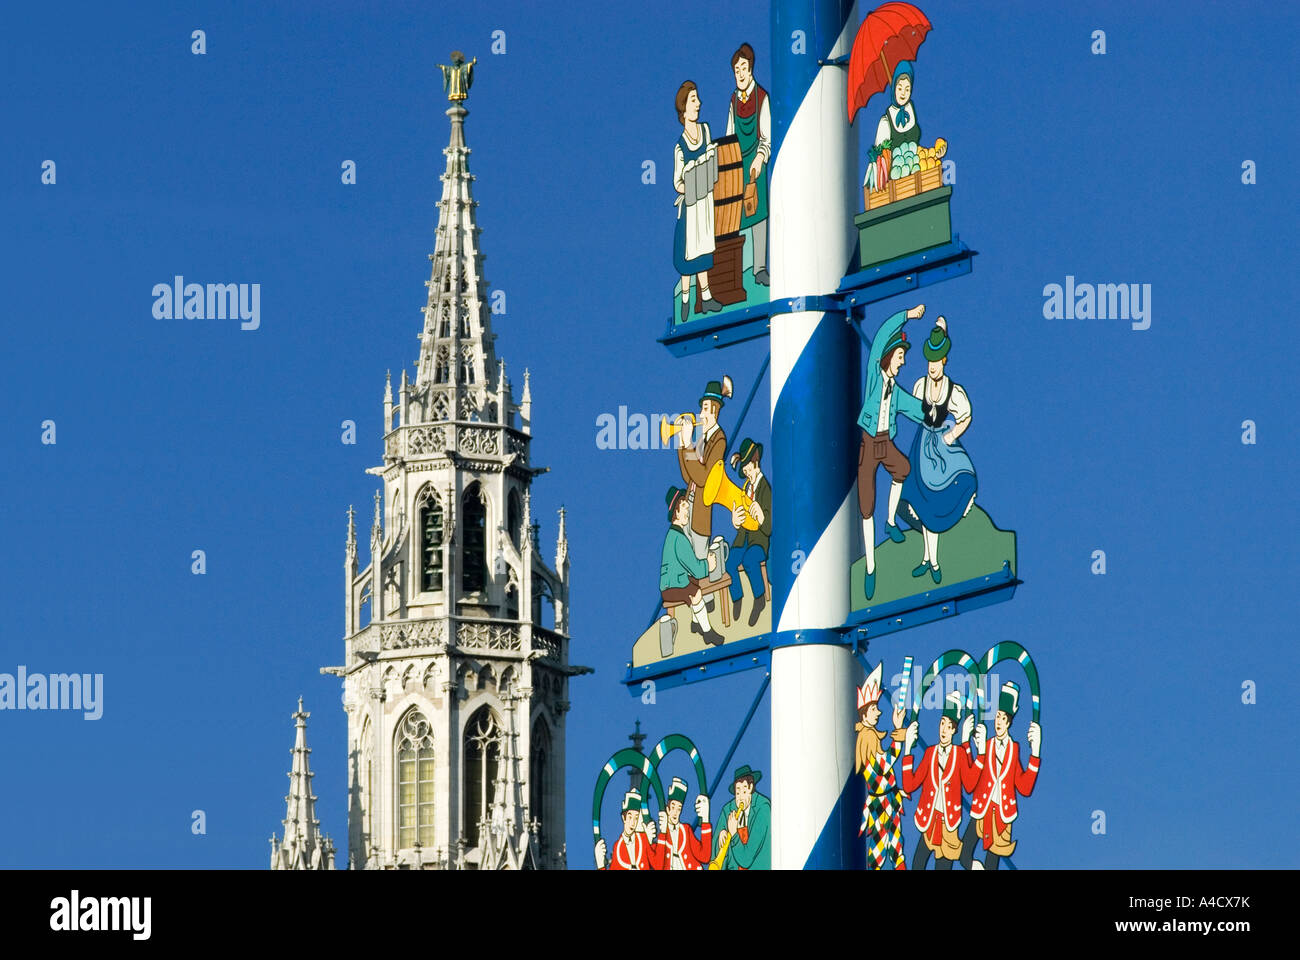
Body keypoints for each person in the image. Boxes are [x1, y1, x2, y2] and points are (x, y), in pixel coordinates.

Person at [897, 318, 977, 584]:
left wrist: (952, 434)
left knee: (936, 500)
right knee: (920, 502)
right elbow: (912, 409)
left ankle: (932, 561)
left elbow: (965, 416)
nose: (932, 367)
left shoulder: (952, 390)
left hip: (942, 451)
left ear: (944, 361)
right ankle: (927, 560)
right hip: (922, 448)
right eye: (929, 362)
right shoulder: (921, 385)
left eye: (936, 362)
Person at [856, 304, 927, 600]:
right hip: (868, 443)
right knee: (865, 505)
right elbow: (885, 330)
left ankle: (890, 522)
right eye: (900, 357)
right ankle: (871, 568)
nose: (903, 362)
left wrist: (937, 412)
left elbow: (914, 408)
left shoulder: (896, 391)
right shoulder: (875, 376)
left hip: (885, 442)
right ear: (887, 357)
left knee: (904, 469)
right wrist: (907, 314)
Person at [962, 681, 1041, 870]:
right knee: (965, 854)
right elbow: (970, 777)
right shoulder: (986, 745)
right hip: (982, 807)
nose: (998, 722)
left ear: (1009, 721)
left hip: (1002, 816)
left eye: (1003, 718)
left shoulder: (1014, 750)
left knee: (992, 864)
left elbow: (1024, 786)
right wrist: (967, 743)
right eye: (997, 716)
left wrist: (1035, 751)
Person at [899, 692, 980, 870]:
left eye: (949, 725)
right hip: (928, 822)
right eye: (942, 723)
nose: (944, 729)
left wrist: (978, 752)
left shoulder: (959, 755)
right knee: (917, 865)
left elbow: (970, 784)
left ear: (954, 730)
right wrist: (907, 750)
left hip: (948, 826)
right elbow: (910, 785)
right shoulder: (930, 753)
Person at [674, 81, 723, 323]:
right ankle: (685, 301)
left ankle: (705, 297)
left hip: (705, 201)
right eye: (693, 99)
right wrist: (690, 182)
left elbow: (712, 157)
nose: (699, 103)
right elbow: (677, 182)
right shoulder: (680, 147)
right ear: (684, 110)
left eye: (698, 98)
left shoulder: (705, 131)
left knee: (703, 250)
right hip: (691, 205)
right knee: (687, 257)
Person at [725, 43, 771, 286]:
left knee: (758, 214)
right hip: (737, 164)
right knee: (738, 216)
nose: (740, 74)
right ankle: (743, 270)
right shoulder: (733, 100)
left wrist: (760, 158)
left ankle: (759, 269)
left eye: (743, 68)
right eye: (736, 70)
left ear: (751, 69)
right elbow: (730, 134)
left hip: (755, 163)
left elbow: (767, 136)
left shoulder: (761, 97)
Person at [855, 663, 909, 869]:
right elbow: (883, 765)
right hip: (880, 805)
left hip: (889, 800)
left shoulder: (871, 737)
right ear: (865, 713)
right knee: (880, 849)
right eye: (874, 708)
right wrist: (898, 732)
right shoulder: (866, 738)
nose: (878, 712)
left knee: (894, 847)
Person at [677, 377, 732, 564]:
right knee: (687, 564)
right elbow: (688, 477)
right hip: (689, 505)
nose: (701, 415)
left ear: (715, 410)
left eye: (705, 409)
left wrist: (688, 446)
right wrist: (682, 445)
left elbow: (703, 478)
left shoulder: (719, 440)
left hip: (701, 513)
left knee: (700, 562)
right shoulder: (701, 439)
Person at [661, 486, 723, 647]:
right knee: (694, 593)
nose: (687, 512)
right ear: (676, 512)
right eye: (684, 508)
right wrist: (708, 565)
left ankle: (696, 623)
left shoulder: (675, 534)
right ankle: (708, 632)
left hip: (675, 580)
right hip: (672, 585)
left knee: (696, 586)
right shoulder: (678, 538)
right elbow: (694, 566)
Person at [725, 437, 771, 627]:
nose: (746, 473)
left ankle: (759, 598)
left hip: (758, 541)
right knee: (730, 564)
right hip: (742, 539)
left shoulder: (764, 489)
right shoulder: (746, 488)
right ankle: (737, 598)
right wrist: (735, 522)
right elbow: (742, 514)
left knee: (750, 560)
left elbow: (769, 527)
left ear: (755, 462)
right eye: (744, 470)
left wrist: (760, 517)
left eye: (747, 468)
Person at [712, 765, 771, 869]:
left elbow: (746, 859)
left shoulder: (763, 808)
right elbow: (714, 856)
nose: (740, 798)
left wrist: (734, 834)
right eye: (737, 792)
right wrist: (719, 839)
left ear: (751, 788)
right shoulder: (728, 810)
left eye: (744, 791)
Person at [654, 777, 713, 870]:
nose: (675, 812)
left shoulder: (686, 830)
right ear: (667, 808)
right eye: (673, 807)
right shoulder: (660, 834)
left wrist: (705, 818)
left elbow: (704, 856)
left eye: (679, 809)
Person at [595, 789, 659, 870]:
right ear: (624, 818)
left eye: (636, 818)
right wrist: (600, 865)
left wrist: (659, 836)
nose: (633, 823)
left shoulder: (643, 839)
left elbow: (659, 863)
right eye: (630, 817)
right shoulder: (618, 848)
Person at [874, 60, 921, 149]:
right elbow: (880, 156)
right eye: (899, 88)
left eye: (907, 89)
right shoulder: (885, 122)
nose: (903, 93)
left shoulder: (911, 110)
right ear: (894, 89)